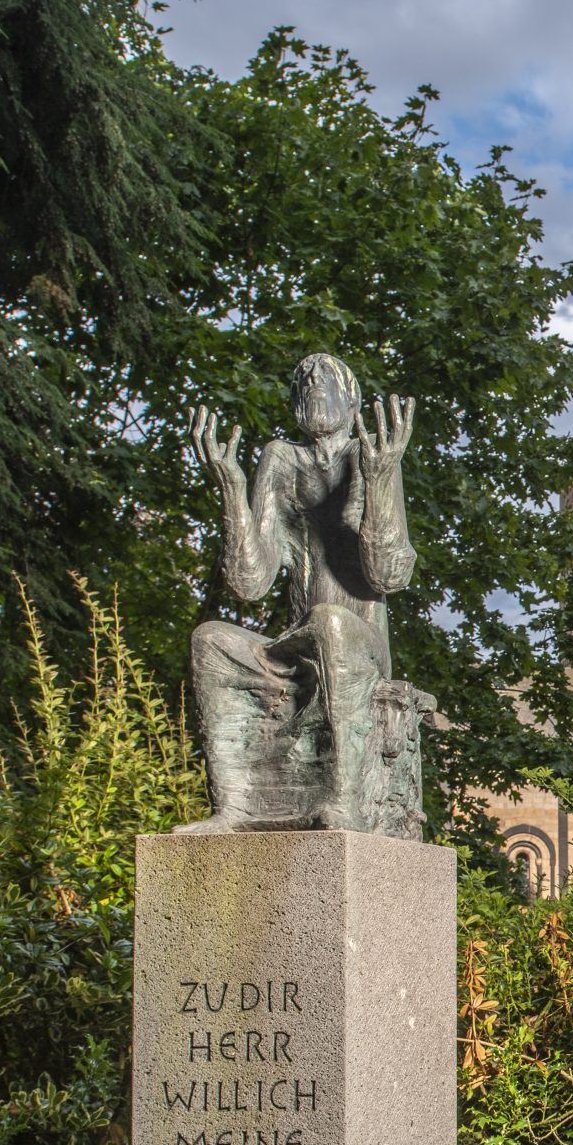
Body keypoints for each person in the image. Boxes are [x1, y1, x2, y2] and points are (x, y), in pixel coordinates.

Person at [180, 354, 419, 834]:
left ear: (350, 397)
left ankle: (344, 801)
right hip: (298, 647)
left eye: (326, 378)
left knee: (329, 619)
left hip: (359, 649)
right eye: (304, 380)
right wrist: (232, 488)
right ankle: (234, 807)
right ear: (293, 403)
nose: (314, 385)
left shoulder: (368, 454)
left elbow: (388, 575)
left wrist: (378, 482)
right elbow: (249, 582)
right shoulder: (280, 458)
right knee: (210, 640)